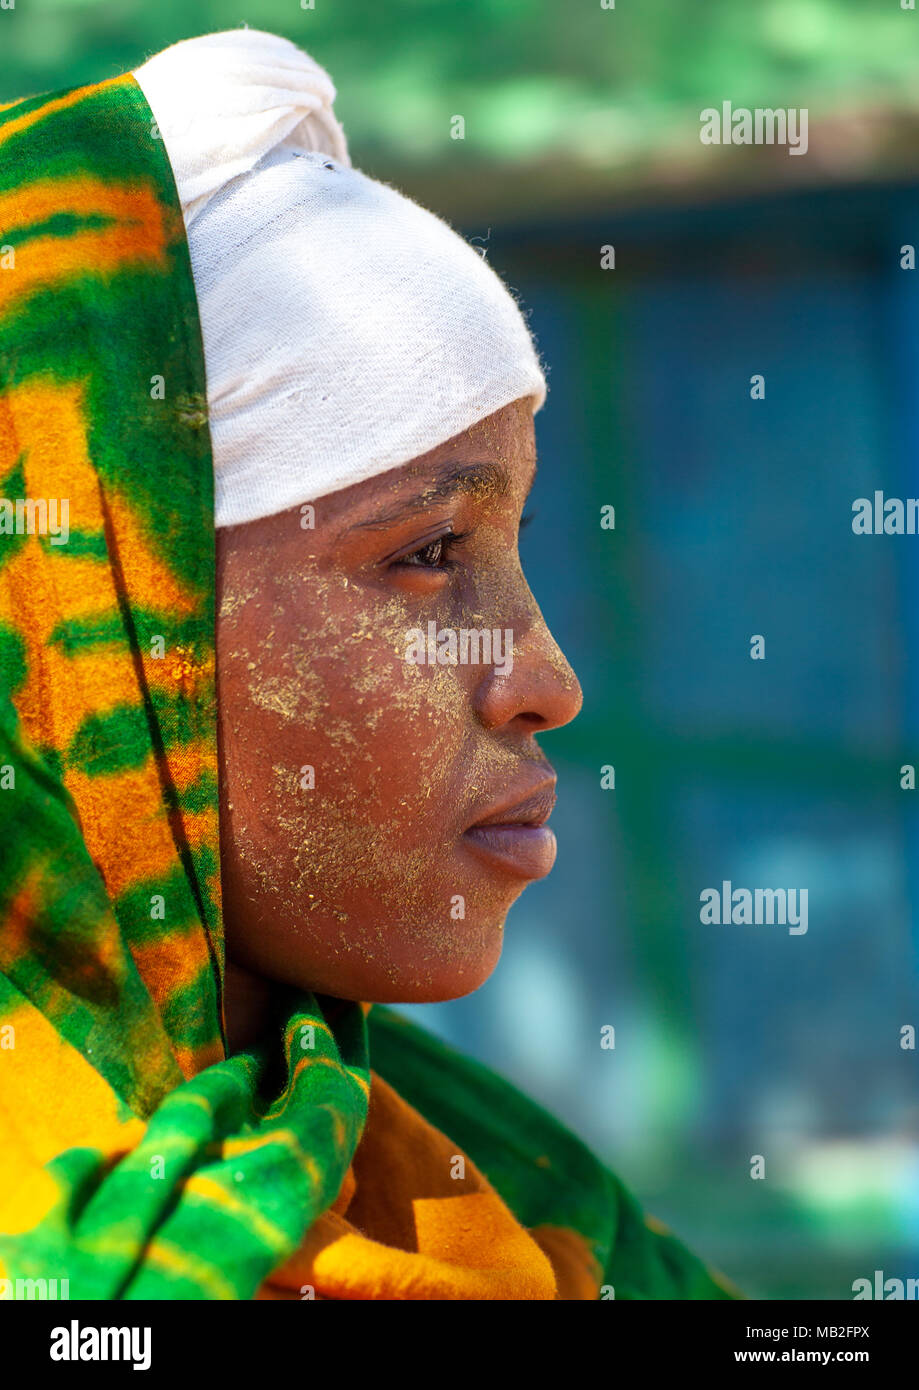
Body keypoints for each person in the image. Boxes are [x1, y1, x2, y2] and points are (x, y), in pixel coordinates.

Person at [0, 29, 740, 1300]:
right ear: (112, 641)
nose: (546, 681)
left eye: (514, 546)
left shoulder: (523, 1196)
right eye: (427, 552)